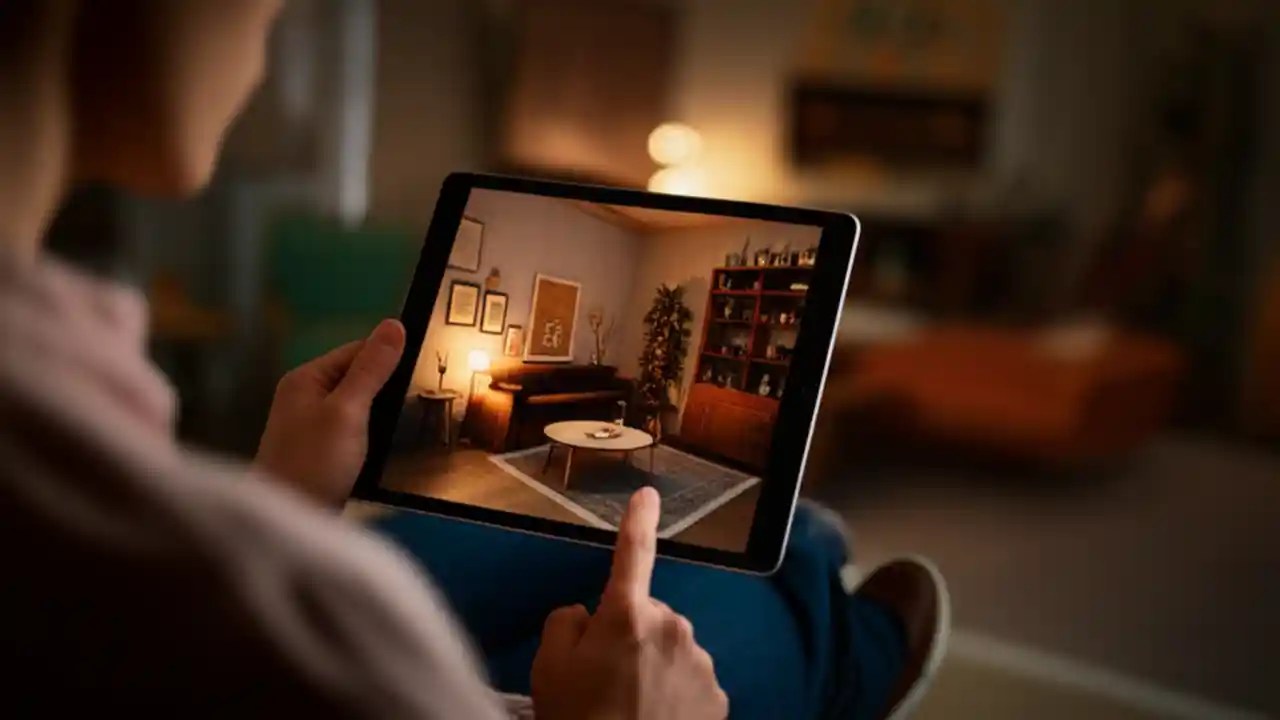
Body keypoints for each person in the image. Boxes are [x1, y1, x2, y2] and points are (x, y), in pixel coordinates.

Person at [0, 2, 926, 717]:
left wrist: (278, 507)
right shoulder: (354, 649)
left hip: (285, 585)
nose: (273, 17)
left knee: (584, 540)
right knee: (737, 568)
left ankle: (811, 558)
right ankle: (853, 645)